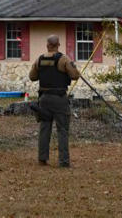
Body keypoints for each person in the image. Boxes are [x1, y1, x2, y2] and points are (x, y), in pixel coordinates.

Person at [28, 34, 80, 168]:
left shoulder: (39, 59)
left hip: (44, 98)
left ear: (47, 45)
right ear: (58, 45)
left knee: (45, 128)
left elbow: (32, 77)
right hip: (59, 99)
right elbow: (74, 76)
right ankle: (63, 161)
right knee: (62, 130)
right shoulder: (63, 59)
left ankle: (42, 158)